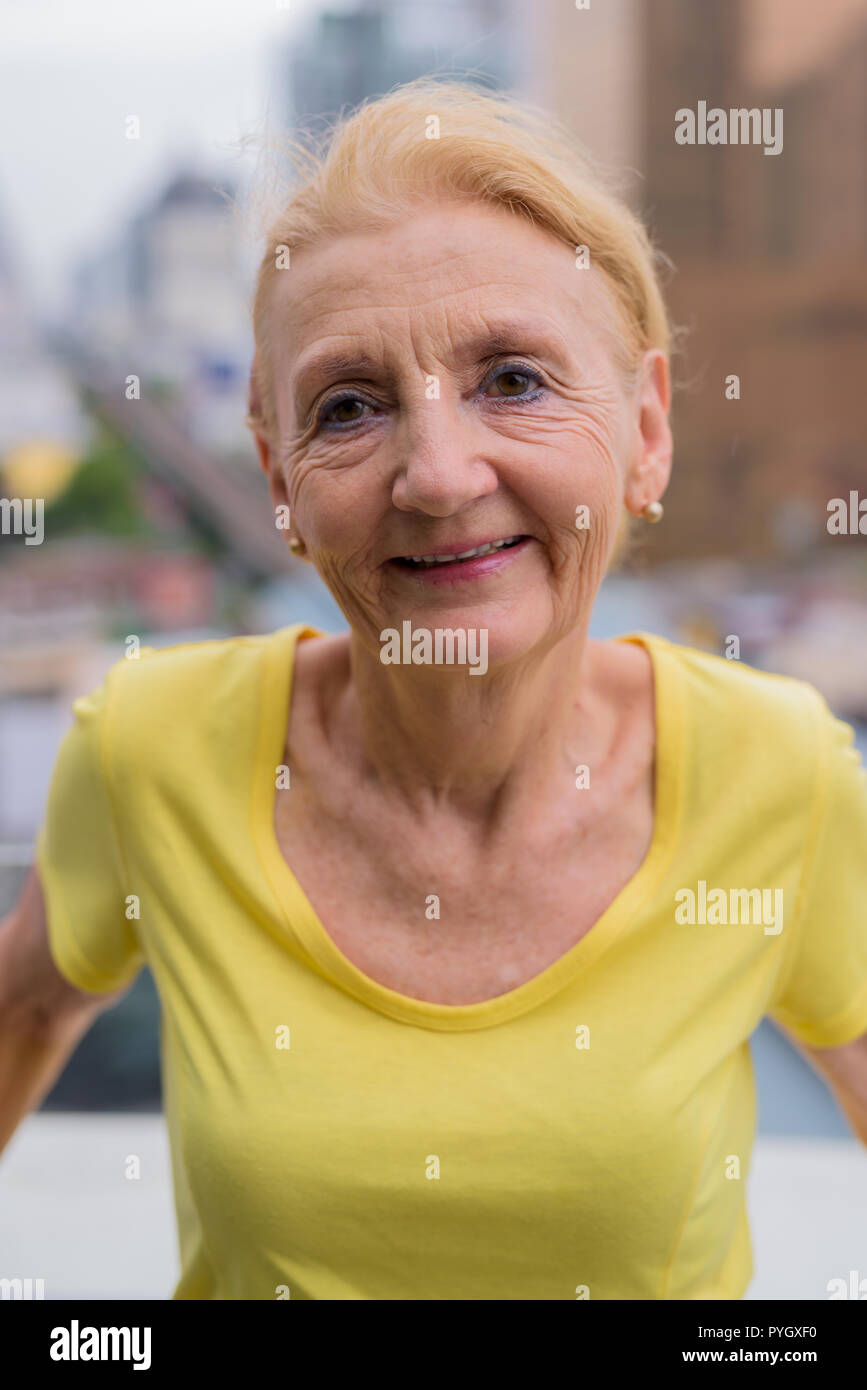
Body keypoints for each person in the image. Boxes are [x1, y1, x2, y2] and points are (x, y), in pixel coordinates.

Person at [2, 79, 866, 1301]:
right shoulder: (152, 748)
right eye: (349, 406)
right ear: (282, 482)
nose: (441, 474)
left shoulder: (781, 772)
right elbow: (25, 1003)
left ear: (648, 431)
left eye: (513, 379)